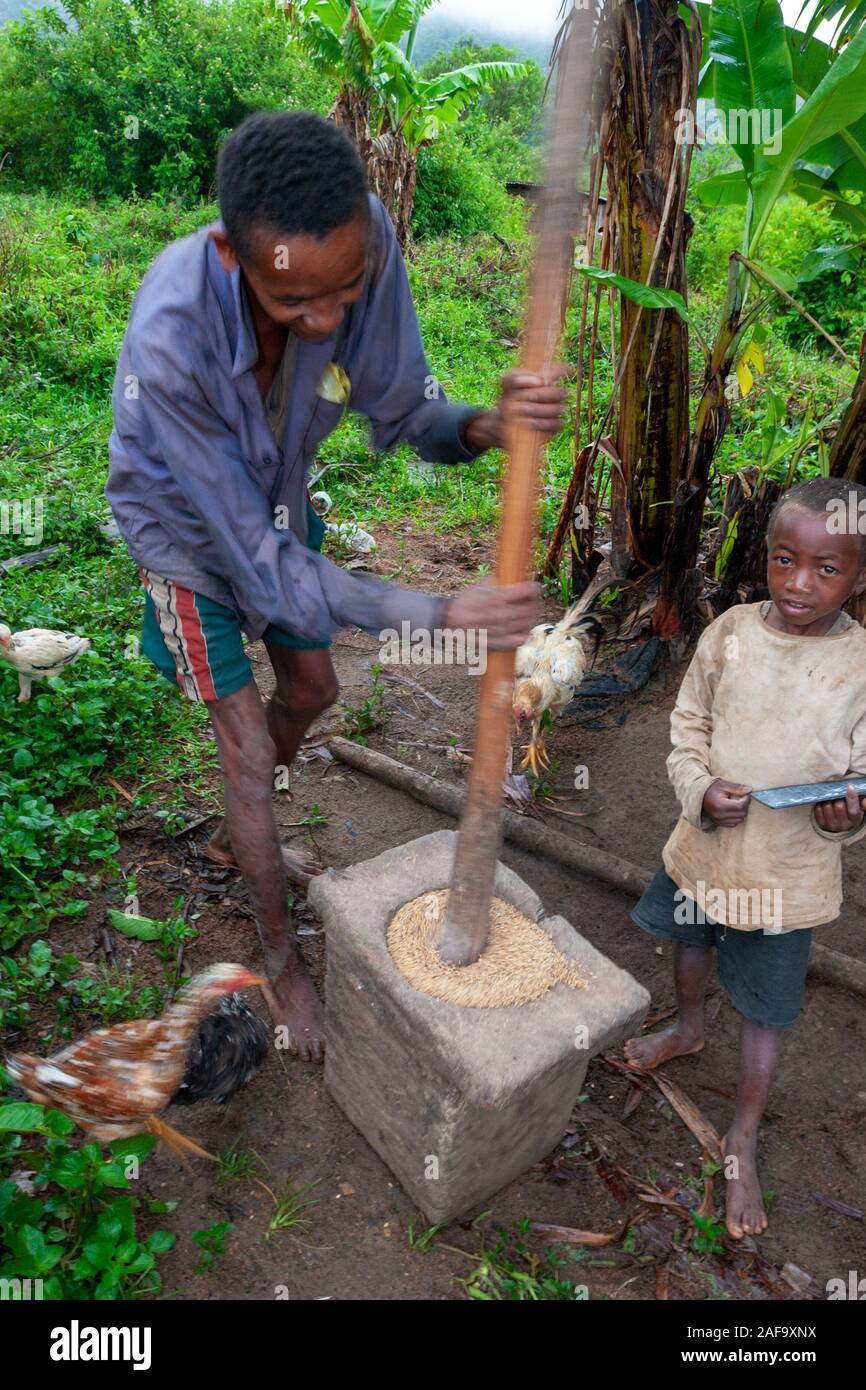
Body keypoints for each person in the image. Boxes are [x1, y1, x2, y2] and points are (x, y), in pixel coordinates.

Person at [106, 111, 566, 1060]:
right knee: (242, 754)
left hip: (273, 503)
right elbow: (251, 562)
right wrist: (441, 614)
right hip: (189, 538)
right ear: (235, 254)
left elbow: (401, 406)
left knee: (314, 690)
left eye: (344, 293)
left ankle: (250, 831)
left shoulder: (364, 240)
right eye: (295, 307)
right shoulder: (171, 338)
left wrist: (485, 424)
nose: (326, 322)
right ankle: (281, 961)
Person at [624, 476, 866, 1238]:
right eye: (785, 559)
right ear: (765, 555)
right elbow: (687, 722)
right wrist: (697, 789)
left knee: (765, 1007)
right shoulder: (728, 631)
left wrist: (842, 820)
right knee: (688, 940)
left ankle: (744, 1133)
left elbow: (858, 788)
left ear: (859, 576)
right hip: (704, 849)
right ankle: (689, 1028)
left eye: (827, 570)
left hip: (782, 878)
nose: (800, 583)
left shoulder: (860, 668)